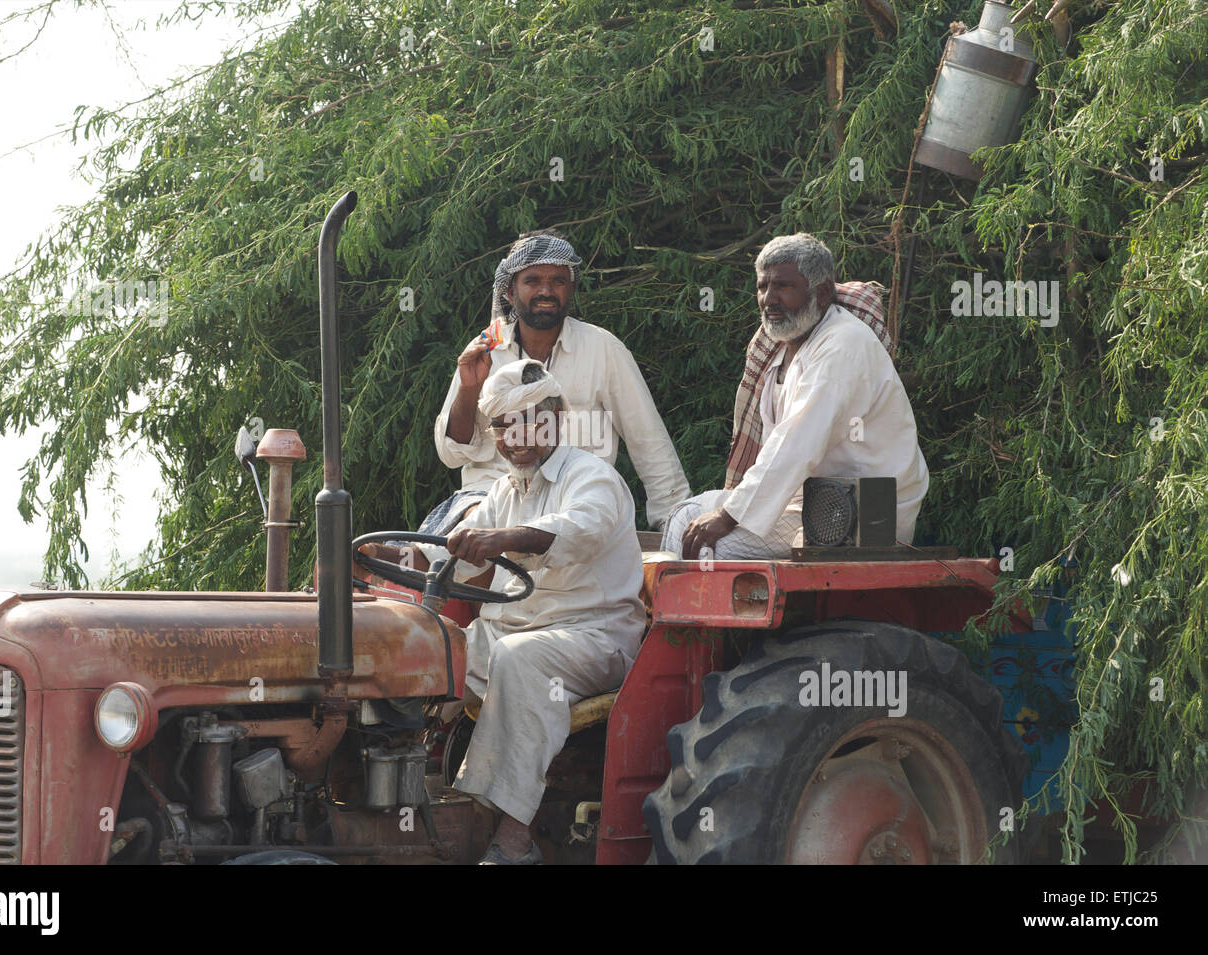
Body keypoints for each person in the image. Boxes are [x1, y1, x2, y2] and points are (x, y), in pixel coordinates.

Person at [362, 359, 646, 864]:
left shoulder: (592, 479)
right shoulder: (504, 490)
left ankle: (512, 839)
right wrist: (369, 554)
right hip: (514, 631)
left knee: (519, 660)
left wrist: (500, 538)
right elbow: (442, 560)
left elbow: (573, 531)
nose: (514, 437)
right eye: (502, 426)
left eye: (526, 421)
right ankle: (400, 790)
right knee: (424, 651)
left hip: (593, 637)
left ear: (555, 418)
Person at [662, 233, 929, 559]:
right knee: (683, 518)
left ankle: (692, 612)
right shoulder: (783, 347)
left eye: (783, 286)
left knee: (714, 548)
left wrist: (729, 516)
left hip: (863, 512)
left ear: (822, 293)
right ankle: (669, 613)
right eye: (763, 286)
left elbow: (796, 444)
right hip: (810, 501)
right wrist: (731, 511)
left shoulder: (843, 344)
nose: (768, 299)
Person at [425, 229, 690, 536]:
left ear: (571, 290)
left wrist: (675, 525)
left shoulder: (603, 348)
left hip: (572, 497)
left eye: (558, 281)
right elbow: (451, 454)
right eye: (533, 280)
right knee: (471, 531)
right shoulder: (485, 350)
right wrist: (469, 389)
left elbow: (649, 441)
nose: (546, 291)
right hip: (489, 497)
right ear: (510, 292)